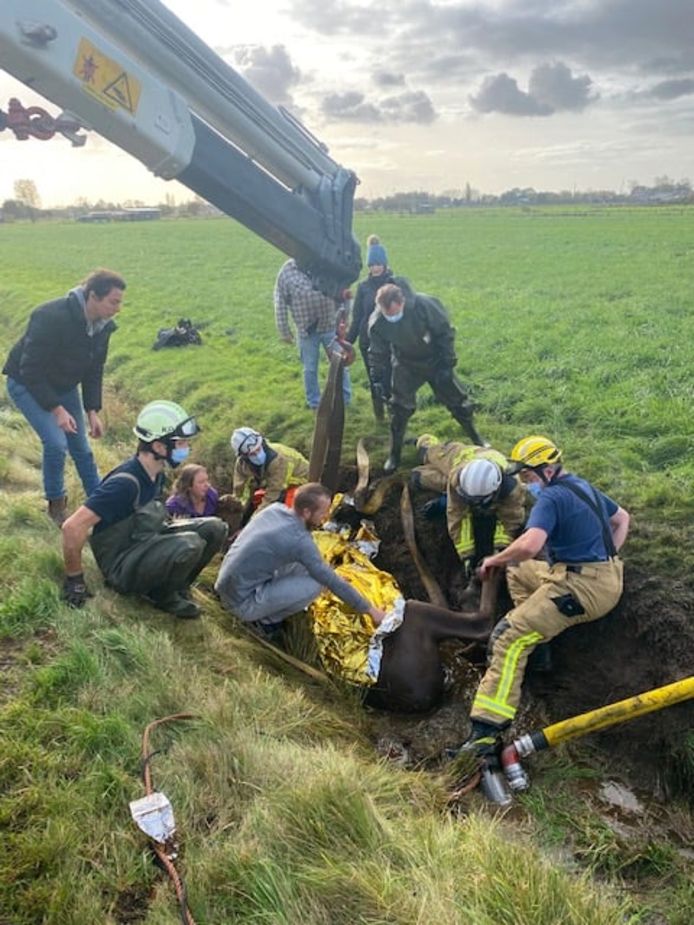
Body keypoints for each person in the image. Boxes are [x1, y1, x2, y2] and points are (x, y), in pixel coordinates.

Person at [456, 435, 629, 760]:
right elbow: (622, 520)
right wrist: (603, 559)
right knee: (519, 571)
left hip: (580, 589)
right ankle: (541, 649)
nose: (523, 481)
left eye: (527, 474)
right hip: (600, 575)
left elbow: (530, 545)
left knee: (508, 638)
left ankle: (485, 735)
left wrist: (493, 560)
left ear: (547, 470)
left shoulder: (550, 498)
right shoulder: (582, 486)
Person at [61, 400, 228, 619]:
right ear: (159, 446)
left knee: (216, 528)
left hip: (145, 540)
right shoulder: (125, 484)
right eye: (181, 443)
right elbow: (71, 527)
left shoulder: (156, 472)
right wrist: (75, 580)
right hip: (121, 564)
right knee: (190, 544)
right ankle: (162, 596)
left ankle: (175, 586)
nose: (186, 448)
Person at [3, 269, 125, 525]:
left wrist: (92, 410)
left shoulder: (103, 327)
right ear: (93, 295)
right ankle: (56, 505)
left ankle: (101, 504)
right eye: (114, 301)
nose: (118, 308)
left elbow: (94, 369)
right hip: (26, 383)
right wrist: (57, 410)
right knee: (56, 443)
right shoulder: (50, 316)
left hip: (64, 385)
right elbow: (30, 369)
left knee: (81, 446)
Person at [215, 482, 385, 636]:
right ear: (306, 512)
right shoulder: (299, 541)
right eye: (323, 512)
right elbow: (330, 580)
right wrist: (370, 610)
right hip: (239, 604)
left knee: (308, 567)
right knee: (317, 584)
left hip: (225, 583)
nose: (325, 516)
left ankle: (265, 608)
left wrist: (327, 573)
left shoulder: (275, 509)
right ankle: (265, 623)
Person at [368, 280, 485, 473]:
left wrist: (447, 364)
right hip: (405, 363)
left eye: (395, 313)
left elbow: (445, 332)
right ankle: (394, 454)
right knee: (399, 409)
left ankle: (477, 438)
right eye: (387, 314)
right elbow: (377, 351)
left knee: (458, 401)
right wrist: (377, 376)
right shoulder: (378, 322)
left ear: (402, 302)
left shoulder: (424, 305)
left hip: (435, 360)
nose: (392, 317)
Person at [412, 434, 527, 576]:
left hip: (487, 459)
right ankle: (426, 441)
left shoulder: (513, 488)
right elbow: (457, 515)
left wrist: (499, 550)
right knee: (427, 457)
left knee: (419, 475)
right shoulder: (458, 479)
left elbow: (510, 520)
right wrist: (466, 555)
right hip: (458, 457)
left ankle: (424, 472)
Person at [274, 258, 351, 410]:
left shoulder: (326, 264)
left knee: (340, 364)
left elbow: (344, 293)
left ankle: (345, 399)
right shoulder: (286, 272)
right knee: (310, 368)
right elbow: (280, 302)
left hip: (330, 326)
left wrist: (345, 318)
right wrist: (284, 330)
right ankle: (314, 402)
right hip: (306, 331)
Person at [346, 234, 395, 420]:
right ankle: (379, 415)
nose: (375, 268)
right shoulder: (363, 287)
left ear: (384, 264)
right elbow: (358, 316)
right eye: (372, 265)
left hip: (390, 341)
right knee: (375, 380)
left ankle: (393, 413)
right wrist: (348, 342)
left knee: (390, 379)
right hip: (368, 343)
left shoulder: (393, 284)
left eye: (378, 264)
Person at [230, 426, 309, 514]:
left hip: (300, 483)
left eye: (258, 449)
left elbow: (273, 494)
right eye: (252, 454)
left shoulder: (279, 458)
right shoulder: (242, 464)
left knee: (290, 513)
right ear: (244, 456)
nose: (257, 455)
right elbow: (240, 490)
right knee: (256, 499)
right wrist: (241, 510)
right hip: (276, 485)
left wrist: (256, 518)